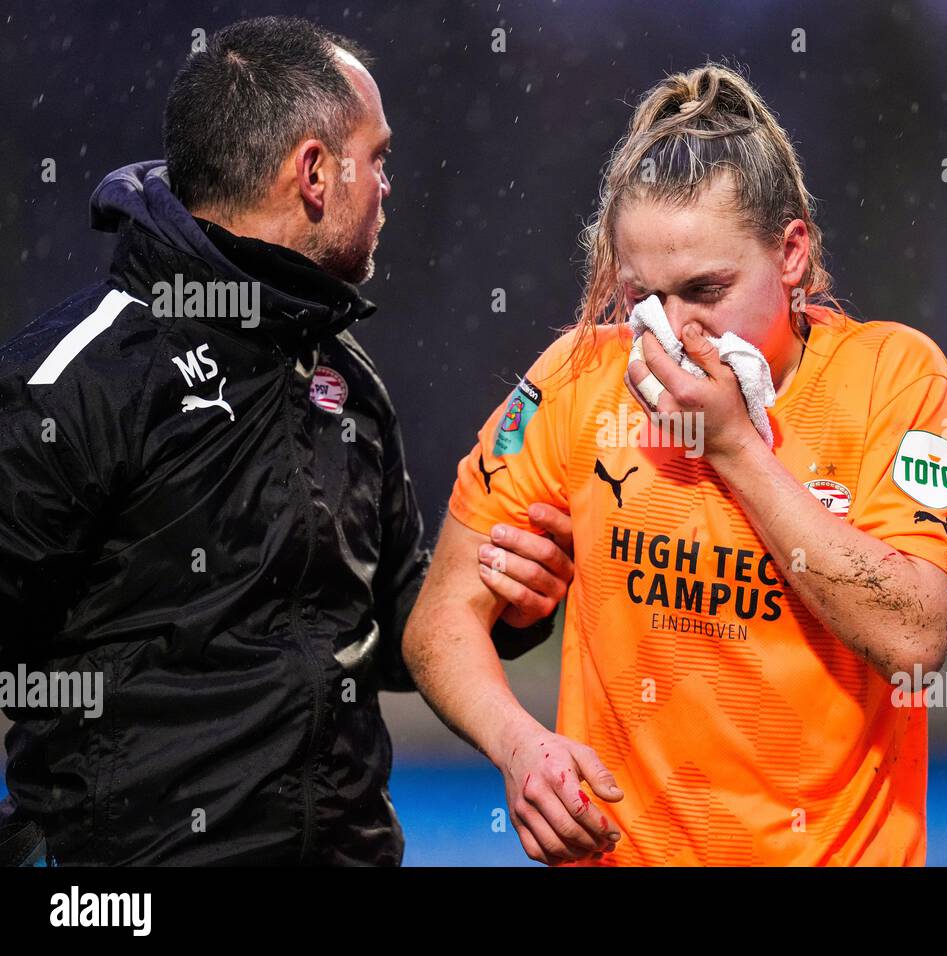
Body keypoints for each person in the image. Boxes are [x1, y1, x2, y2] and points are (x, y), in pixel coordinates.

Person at [0, 15, 562, 867]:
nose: (387, 185)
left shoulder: (346, 380)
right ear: (312, 173)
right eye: (376, 158)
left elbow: (395, 611)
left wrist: (501, 602)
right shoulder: (71, 380)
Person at [403, 63, 947, 866]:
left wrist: (736, 447)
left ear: (792, 255)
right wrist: (520, 749)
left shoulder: (893, 378)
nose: (669, 332)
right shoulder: (577, 379)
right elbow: (436, 624)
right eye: (644, 294)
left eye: (706, 289)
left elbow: (916, 633)